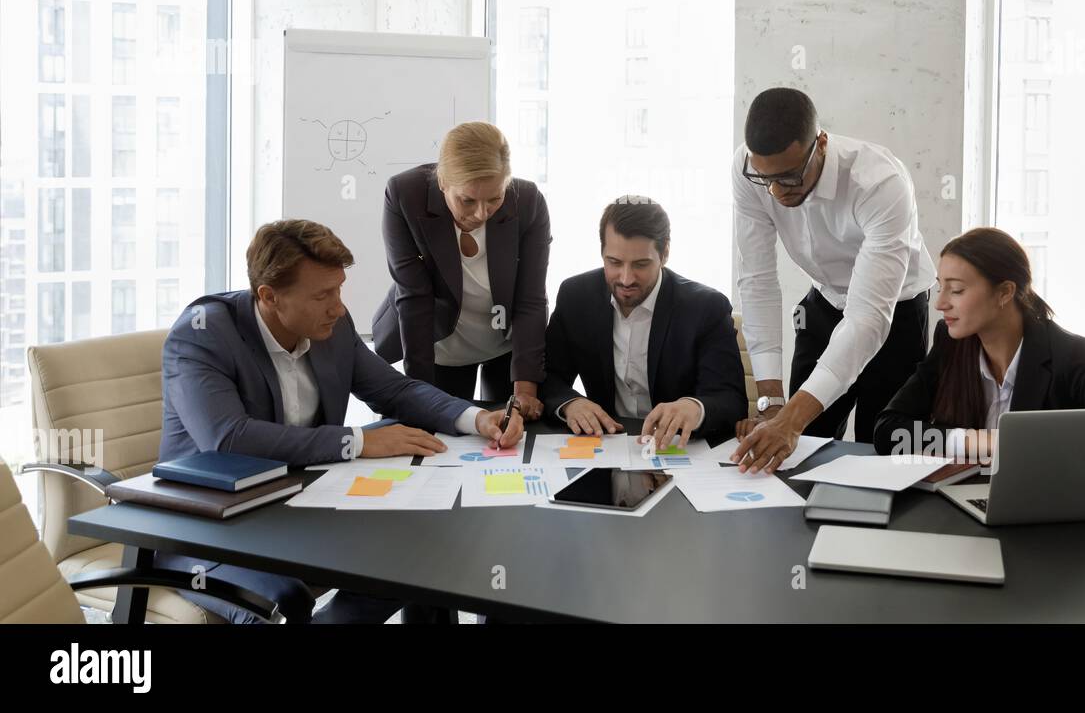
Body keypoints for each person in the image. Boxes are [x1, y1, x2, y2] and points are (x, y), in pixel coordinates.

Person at [158, 219, 523, 622]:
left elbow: (395, 391)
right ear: (269, 296)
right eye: (322, 295)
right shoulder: (204, 334)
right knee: (281, 601)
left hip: (297, 508)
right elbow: (227, 439)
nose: (339, 306)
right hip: (204, 530)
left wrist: (475, 418)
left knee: (419, 556)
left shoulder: (330, 325)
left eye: (338, 289)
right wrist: (358, 442)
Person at [873, 226, 1085, 497]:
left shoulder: (1069, 358)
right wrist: (980, 441)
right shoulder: (952, 343)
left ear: (1004, 292)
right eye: (941, 287)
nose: (940, 303)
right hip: (961, 509)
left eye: (956, 290)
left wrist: (1041, 453)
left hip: (1041, 525)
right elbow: (889, 431)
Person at [732, 87, 936, 472]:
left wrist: (789, 421)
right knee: (803, 445)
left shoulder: (880, 182)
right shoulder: (747, 168)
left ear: (821, 144)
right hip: (824, 302)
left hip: (897, 312)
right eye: (766, 179)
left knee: (885, 450)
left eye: (790, 177)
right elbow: (757, 279)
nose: (777, 191)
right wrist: (772, 404)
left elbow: (866, 319)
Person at [374, 122, 550, 420]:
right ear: (442, 181)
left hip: (506, 345)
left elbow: (531, 298)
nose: (482, 213)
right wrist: (418, 395)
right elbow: (413, 296)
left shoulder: (529, 201)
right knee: (441, 434)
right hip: (438, 342)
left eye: (495, 198)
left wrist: (526, 390)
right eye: (467, 200)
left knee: (510, 438)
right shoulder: (405, 195)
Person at [541, 197, 748, 447]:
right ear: (602, 253)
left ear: (665, 254)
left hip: (677, 451)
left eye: (640, 265)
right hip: (607, 449)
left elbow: (730, 399)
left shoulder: (706, 308)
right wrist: (571, 403)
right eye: (614, 262)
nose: (626, 279)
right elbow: (547, 375)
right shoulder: (576, 296)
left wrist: (693, 407)